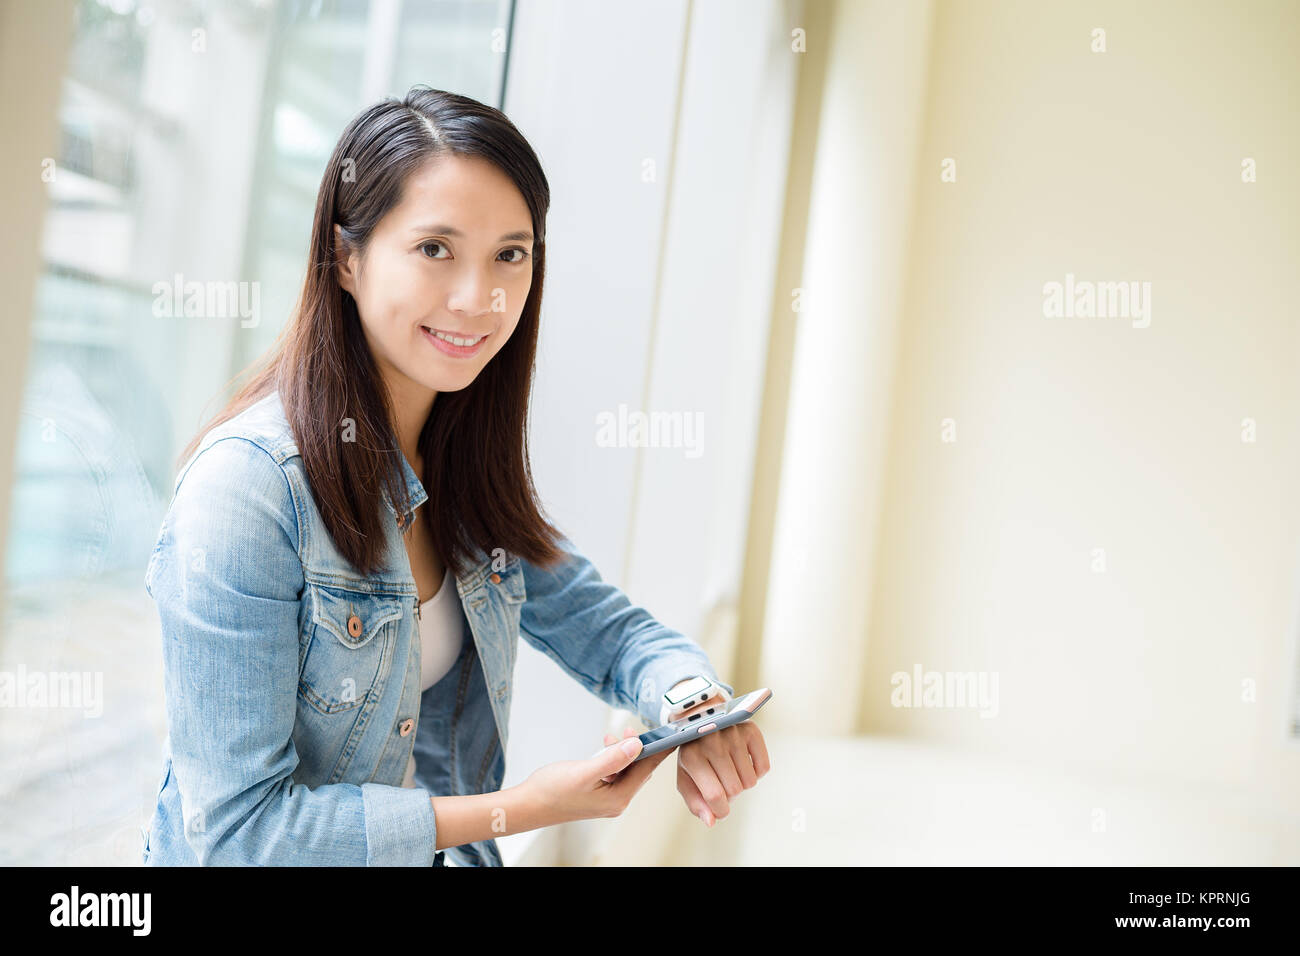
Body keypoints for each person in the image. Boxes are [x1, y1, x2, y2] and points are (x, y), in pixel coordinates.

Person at [139, 86, 770, 866]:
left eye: (511, 253)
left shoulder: (460, 475)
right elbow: (239, 837)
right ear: (345, 258)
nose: (480, 299)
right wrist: (518, 811)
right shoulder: (249, 491)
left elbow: (618, 637)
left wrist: (700, 712)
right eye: (435, 249)